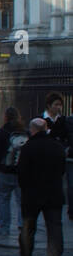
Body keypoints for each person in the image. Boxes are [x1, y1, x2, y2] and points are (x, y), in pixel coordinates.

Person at [17, 117, 65, 256]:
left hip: (32, 194)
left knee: (28, 228)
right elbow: (62, 170)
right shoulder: (57, 147)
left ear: (33, 130)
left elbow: (21, 173)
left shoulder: (28, 147)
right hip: (53, 193)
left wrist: (25, 189)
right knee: (54, 228)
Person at [0, 107, 26, 240]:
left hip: (4, 170)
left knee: (4, 199)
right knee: (21, 200)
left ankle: (4, 227)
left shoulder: (1, 132)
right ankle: (22, 225)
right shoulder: (24, 132)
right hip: (20, 171)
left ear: (5, 117)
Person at [41, 93, 72, 222]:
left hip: (60, 157)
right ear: (49, 105)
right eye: (56, 105)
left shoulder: (63, 121)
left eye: (60, 105)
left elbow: (67, 137)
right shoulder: (41, 120)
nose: (59, 108)